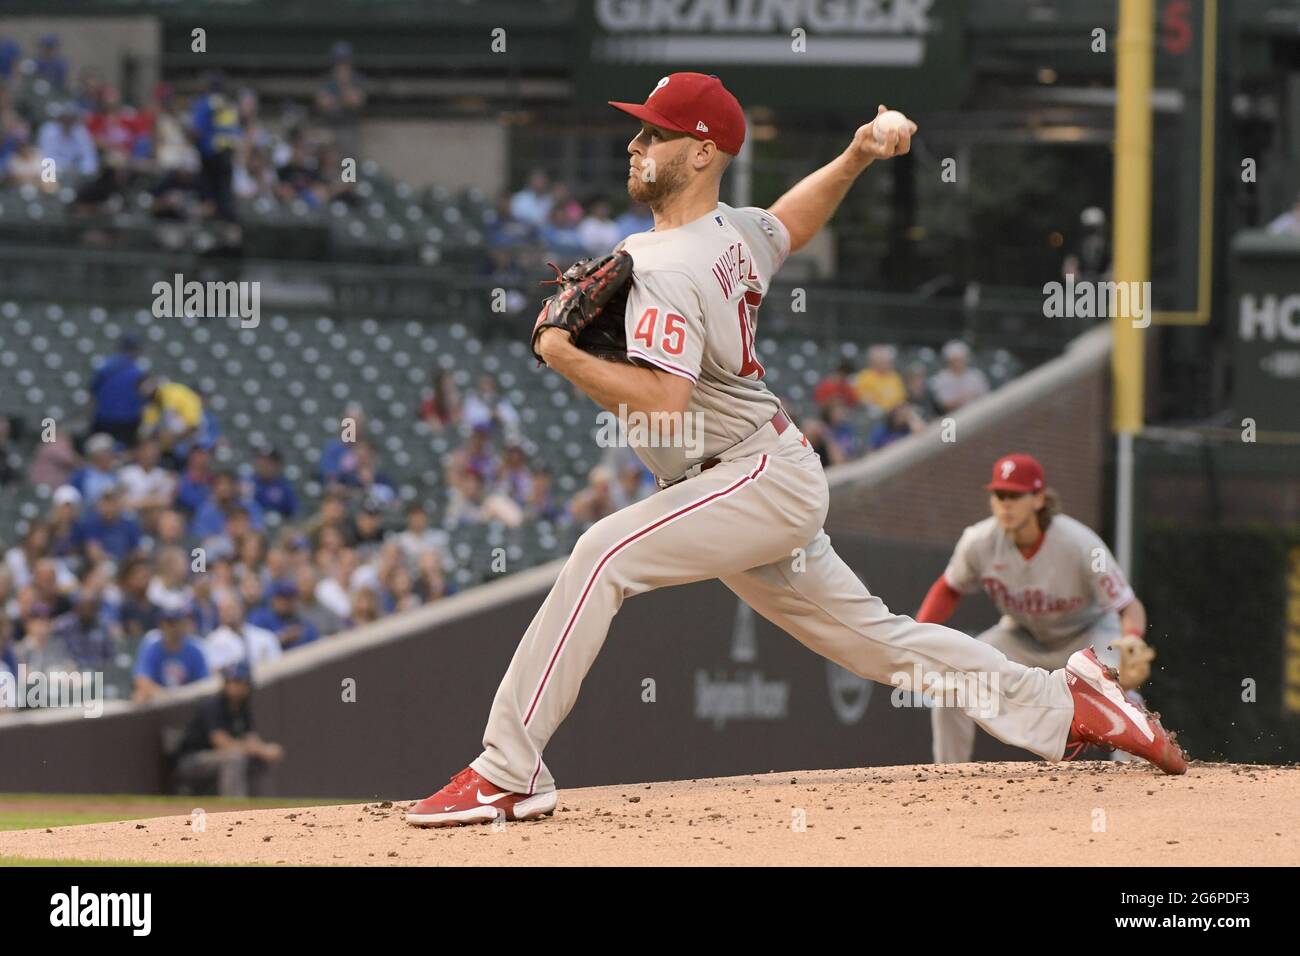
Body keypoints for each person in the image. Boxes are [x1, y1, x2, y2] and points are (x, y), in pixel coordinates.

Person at [407, 75, 1185, 828]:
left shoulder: (666, 263)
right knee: (880, 646)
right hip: (758, 477)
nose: (636, 143)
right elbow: (789, 223)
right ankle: (1070, 700)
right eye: (639, 129)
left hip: (749, 478)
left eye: (655, 132)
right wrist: (854, 157)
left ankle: (508, 771)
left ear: (703, 153)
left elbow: (664, 403)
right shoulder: (725, 235)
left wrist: (561, 351)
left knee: (602, 556)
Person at [919, 454, 1157, 764]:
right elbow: (948, 589)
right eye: (999, 495)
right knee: (955, 678)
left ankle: (1145, 778)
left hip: (1088, 635)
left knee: (1119, 693)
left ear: (1039, 499)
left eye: (1015, 496)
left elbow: (1128, 605)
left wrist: (1134, 638)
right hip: (1023, 635)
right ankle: (947, 776)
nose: (1005, 504)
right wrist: (919, 636)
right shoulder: (979, 541)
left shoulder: (1079, 544)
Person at [172, 660, 284, 796]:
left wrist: (264, 750)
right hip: (192, 760)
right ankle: (232, 808)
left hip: (220, 758)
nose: (235, 686)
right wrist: (259, 750)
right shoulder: (213, 705)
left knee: (259, 759)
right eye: (231, 681)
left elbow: (251, 738)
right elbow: (221, 743)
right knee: (234, 758)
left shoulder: (242, 707)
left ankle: (264, 810)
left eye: (239, 682)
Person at [133, 605, 209, 702]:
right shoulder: (151, 646)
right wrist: (165, 695)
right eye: (167, 623)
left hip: (189, 702)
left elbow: (204, 684)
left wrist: (181, 696)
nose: (171, 629)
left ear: (183, 625)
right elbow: (142, 680)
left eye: (175, 623)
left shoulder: (195, 649)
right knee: (139, 696)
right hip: (159, 702)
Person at [929, 340, 990, 413]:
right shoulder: (940, 378)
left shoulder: (976, 375)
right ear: (948, 360)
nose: (958, 362)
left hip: (978, 414)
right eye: (955, 359)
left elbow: (986, 398)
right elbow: (944, 404)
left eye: (961, 358)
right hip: (954, 416)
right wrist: (967, 396)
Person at [853, 344, 905, 412]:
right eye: (884, 361)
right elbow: (865, 400)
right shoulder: (864, 377)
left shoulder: (895, 376)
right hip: (876, 415)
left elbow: (901, 398)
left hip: (896, 413)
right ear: (875, 362)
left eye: (889, 361)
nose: (889, 364)